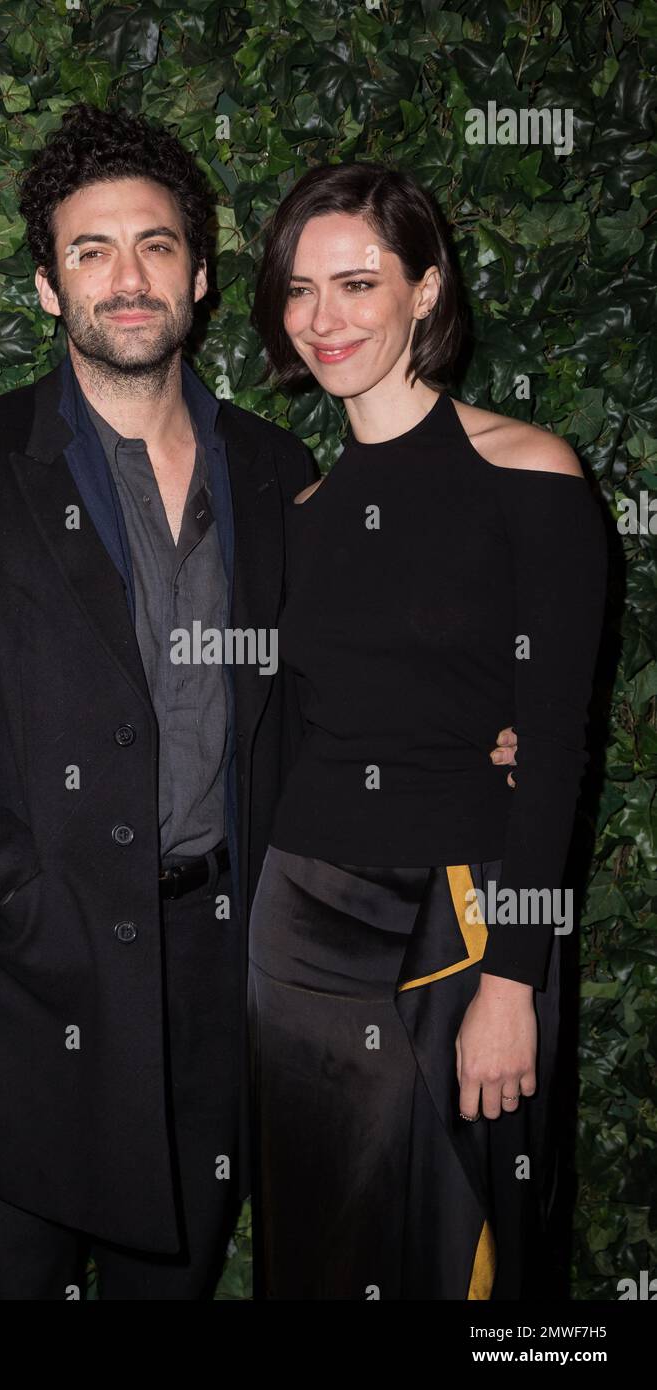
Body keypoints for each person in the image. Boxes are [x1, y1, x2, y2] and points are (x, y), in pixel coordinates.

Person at [0, 106, 516, 1300]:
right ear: (49, 289)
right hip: (32, 976)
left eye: (153, 245)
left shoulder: (279, 473)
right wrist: (8, 890)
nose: (126, 276)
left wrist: (468, 730)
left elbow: (331, 691)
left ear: (197, 278)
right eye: (89, 250)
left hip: (219, 969)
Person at [247, 161, 608, 1301]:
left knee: (467, 1244)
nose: (322, 318)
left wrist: (513, 981)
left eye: (356, 283)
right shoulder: (295, 512)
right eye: (299, 290)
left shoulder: (531, 474)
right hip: (299, 926)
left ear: (427, 290)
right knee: (321, 1242)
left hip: (465, 921)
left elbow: (555, 748)